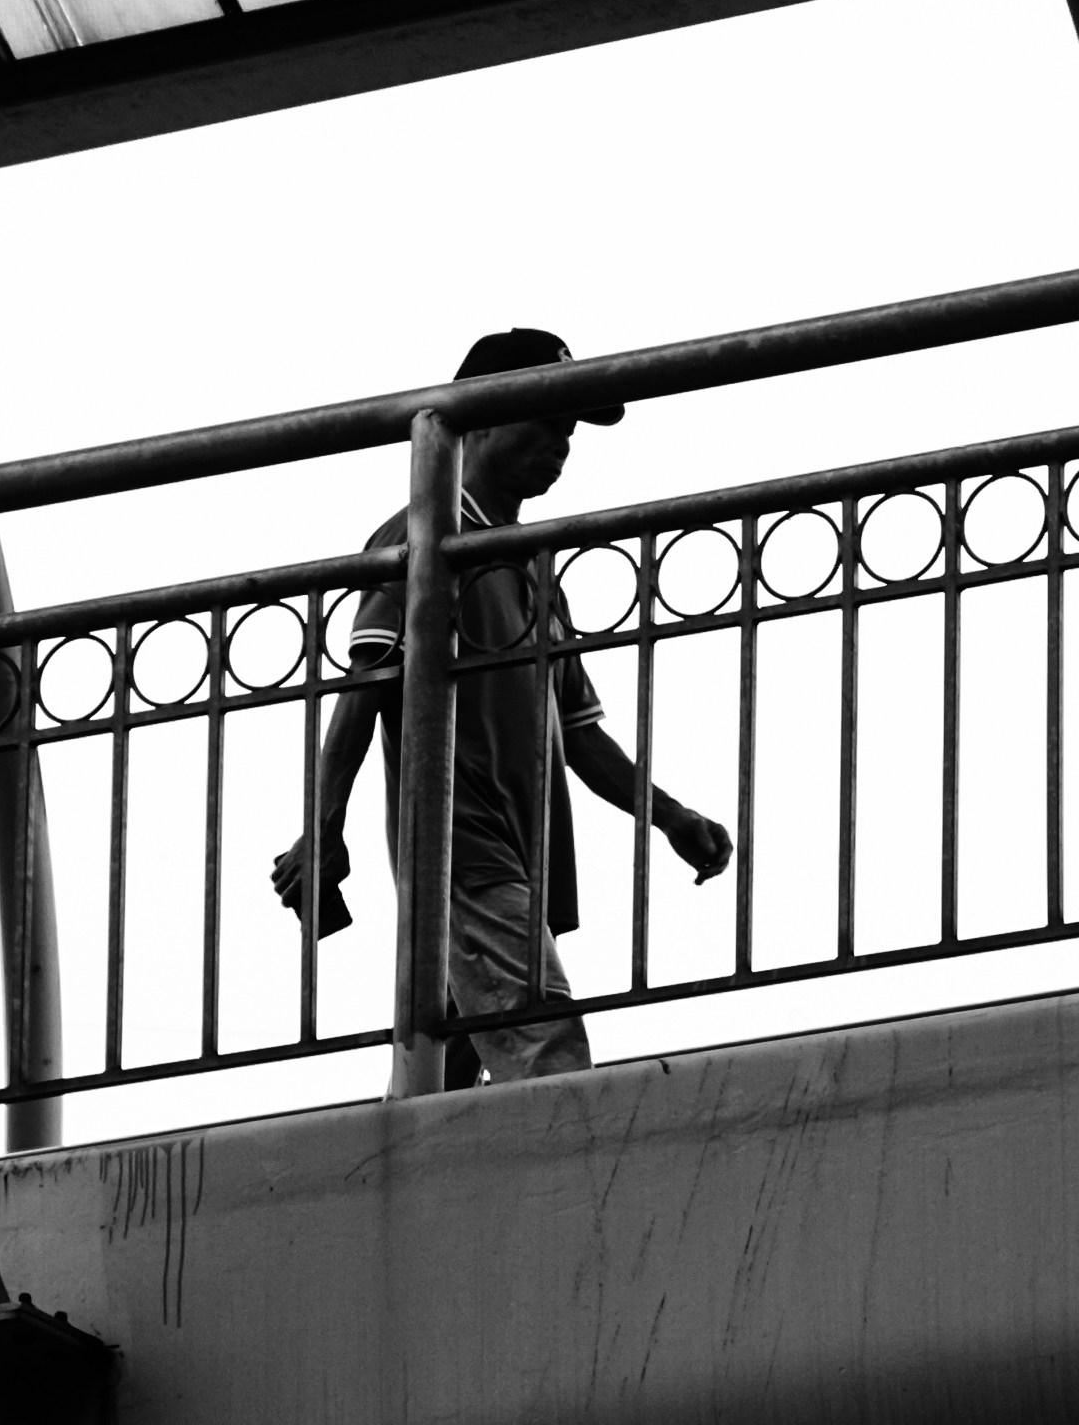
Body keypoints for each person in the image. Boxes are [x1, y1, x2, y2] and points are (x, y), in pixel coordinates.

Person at [270, 330, 733, 1081]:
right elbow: (367, 685)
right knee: (546, 1055)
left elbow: (581, 738)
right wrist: (323, 828)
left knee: (446, 1086)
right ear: (481, 417)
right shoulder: (429, 538)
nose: (562, 442)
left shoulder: (539, 568)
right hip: (466, 854)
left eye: (570, 429)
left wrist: (670, 814)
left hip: (525, 861)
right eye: (546, 419)